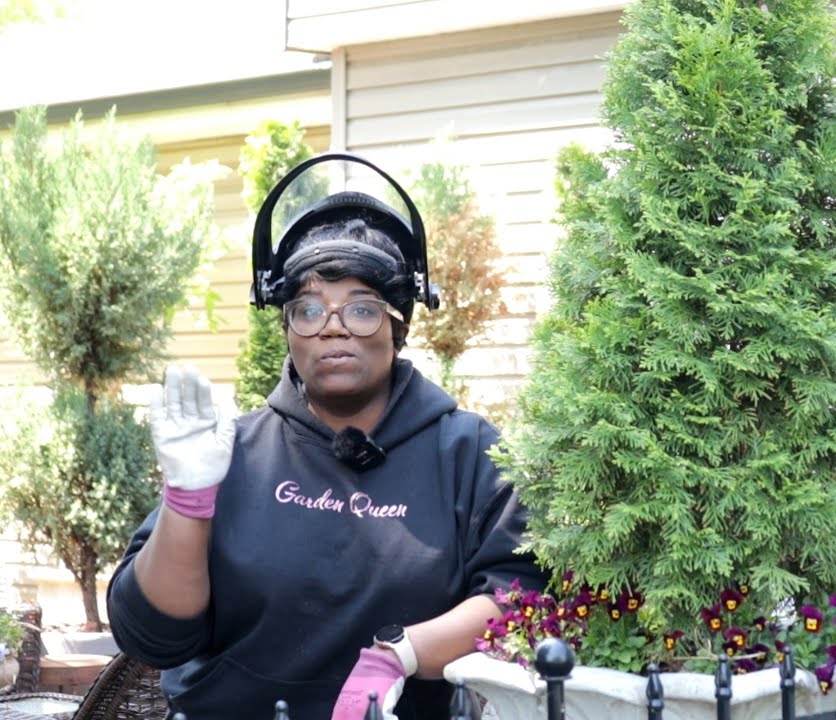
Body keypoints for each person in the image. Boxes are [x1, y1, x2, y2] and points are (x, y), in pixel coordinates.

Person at [107, 154, 546, 719]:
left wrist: (402, 655)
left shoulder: (469, 455)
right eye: (308, 308)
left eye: (361, 308)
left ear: (399, 323)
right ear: (286, 325)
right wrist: (189, 499)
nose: (333, 325)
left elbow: (519, 597)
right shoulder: (231, 452)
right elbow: (154, 636)